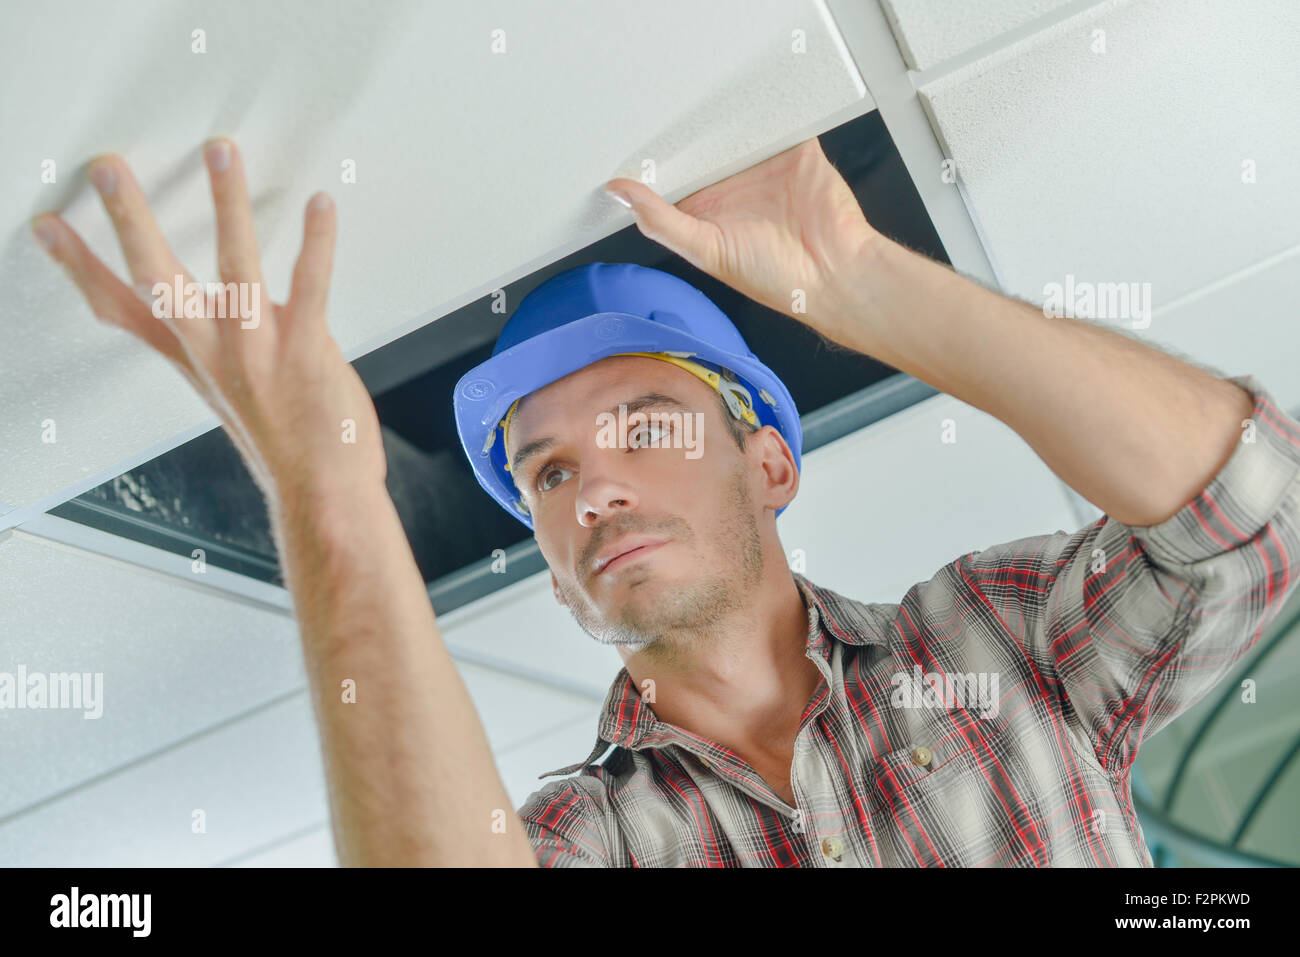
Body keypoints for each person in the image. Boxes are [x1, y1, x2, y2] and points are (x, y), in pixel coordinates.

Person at [31, 137, 1300, 867]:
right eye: (549, 471)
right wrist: (326, 493)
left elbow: (1249, 515)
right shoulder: (597, 837)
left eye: (646, 425)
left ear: (770, 465)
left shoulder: (990, 643)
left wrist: (867, 288)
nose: (598, 485)